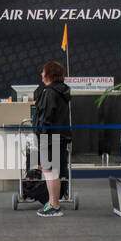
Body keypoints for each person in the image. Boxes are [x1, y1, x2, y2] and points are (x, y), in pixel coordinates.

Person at [32, 60, 72, 217]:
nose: (41, 74)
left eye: (43, 71)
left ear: (49, 74)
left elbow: (46, 116)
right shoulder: (61, 91)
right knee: (51, 171)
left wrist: (40, 132)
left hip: (50, 137)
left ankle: (54, 205)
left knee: (51, 172)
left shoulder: (49, 92)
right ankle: (51, 202)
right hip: (56, 136)